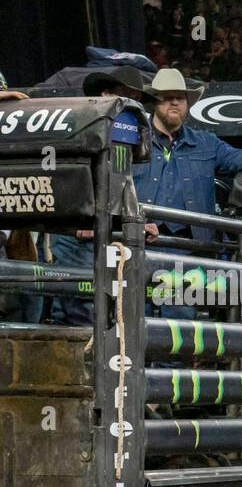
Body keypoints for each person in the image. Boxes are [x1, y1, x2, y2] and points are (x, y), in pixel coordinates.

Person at [132, 68, 242, 319]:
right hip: (139, 243)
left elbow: (233, 157)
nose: (174, 102)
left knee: (178, 320)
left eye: (180, 97)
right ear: (155, 101)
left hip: (186, 249)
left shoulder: (205, 142)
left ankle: (172, 360)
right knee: (134, 316)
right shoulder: (132, 141)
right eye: (167, 97)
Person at [45, 66, 151, 326]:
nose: (133, 104)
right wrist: (82, 218)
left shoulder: (125, 135)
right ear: (107, 93)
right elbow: (63, 174)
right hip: (76, 229)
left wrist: (133, 219)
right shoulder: (81, 123)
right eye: (128, 96)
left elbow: (122, 182)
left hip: (100, 229)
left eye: (136, 99)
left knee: (90, 302)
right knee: (76, 303)